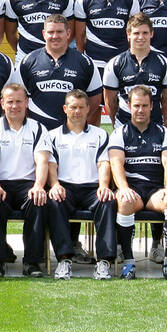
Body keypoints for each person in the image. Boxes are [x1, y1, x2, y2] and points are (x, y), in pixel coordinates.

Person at [106, 87, 167, 280]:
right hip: (132, 189)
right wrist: (123, 188)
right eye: (136, 106)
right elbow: (116, 163)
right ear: (129, 107)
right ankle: (129, 264)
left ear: (152, 107)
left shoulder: (164, 133)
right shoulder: (119, 133)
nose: (140, 110)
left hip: (155, 190)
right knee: (124, 202)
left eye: (145, 106)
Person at [41, 90, 114, 280]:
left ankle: (104, 262)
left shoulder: (100, 135)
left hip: (93, 187)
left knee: (107, 202)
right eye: (73, 107)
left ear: (89, 109)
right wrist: (55, 184)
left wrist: (104, 186)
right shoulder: (52, 135)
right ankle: (64, 260)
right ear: (65, 109)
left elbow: (104, 163)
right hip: (66, 187)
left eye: (82, 107)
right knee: (54, 202)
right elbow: (51, 164)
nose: (77, 111)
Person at [0, 83, 48, 281]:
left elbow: (42, 160)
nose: (14, 106)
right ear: (2, 103)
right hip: (2, 183)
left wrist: (38, 186)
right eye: (10, 102)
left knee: (38, 201)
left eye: (19, 101)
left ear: (27, 103)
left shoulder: (38, 128)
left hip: (28, 183)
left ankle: (32, 262)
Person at [18, 13, 103, 130]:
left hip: (72, 134)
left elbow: (95, 98)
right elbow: (18, 98)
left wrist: (78, 120)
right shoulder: (28, 61)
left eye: (59, 32)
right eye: (50, 32)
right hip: (38, 134)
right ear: (44, 34)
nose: (55, 36)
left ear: (68, 33)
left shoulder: (85, 62)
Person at [103, 13, 167, 131]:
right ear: (128, 34)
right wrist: (117, 124)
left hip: (155, 128)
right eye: (136, 33)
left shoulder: (165, 64)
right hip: (123, 127)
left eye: (145, 33)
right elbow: (110, 101)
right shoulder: (115, 64)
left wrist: (159, 123)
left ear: (151, 34)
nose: (141, 37)